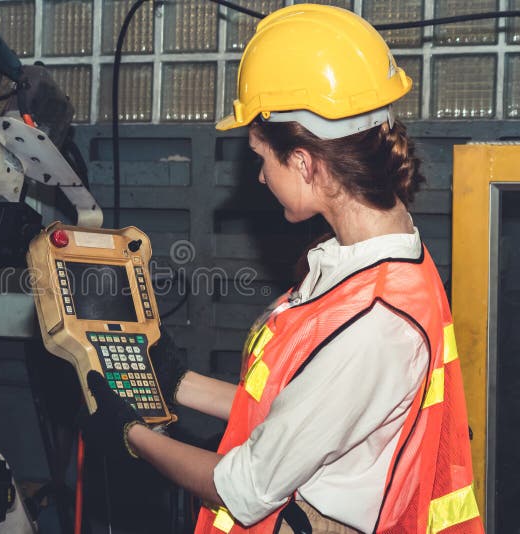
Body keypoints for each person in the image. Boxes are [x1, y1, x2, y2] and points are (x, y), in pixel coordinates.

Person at [78, 4, 484, 533]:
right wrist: (179, 382)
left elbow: (242, 488)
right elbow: (300, 414)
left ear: (302, 161)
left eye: (260, 158)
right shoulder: (371, 262)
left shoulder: (377, 323)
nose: (261, 178)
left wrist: (131, 435)